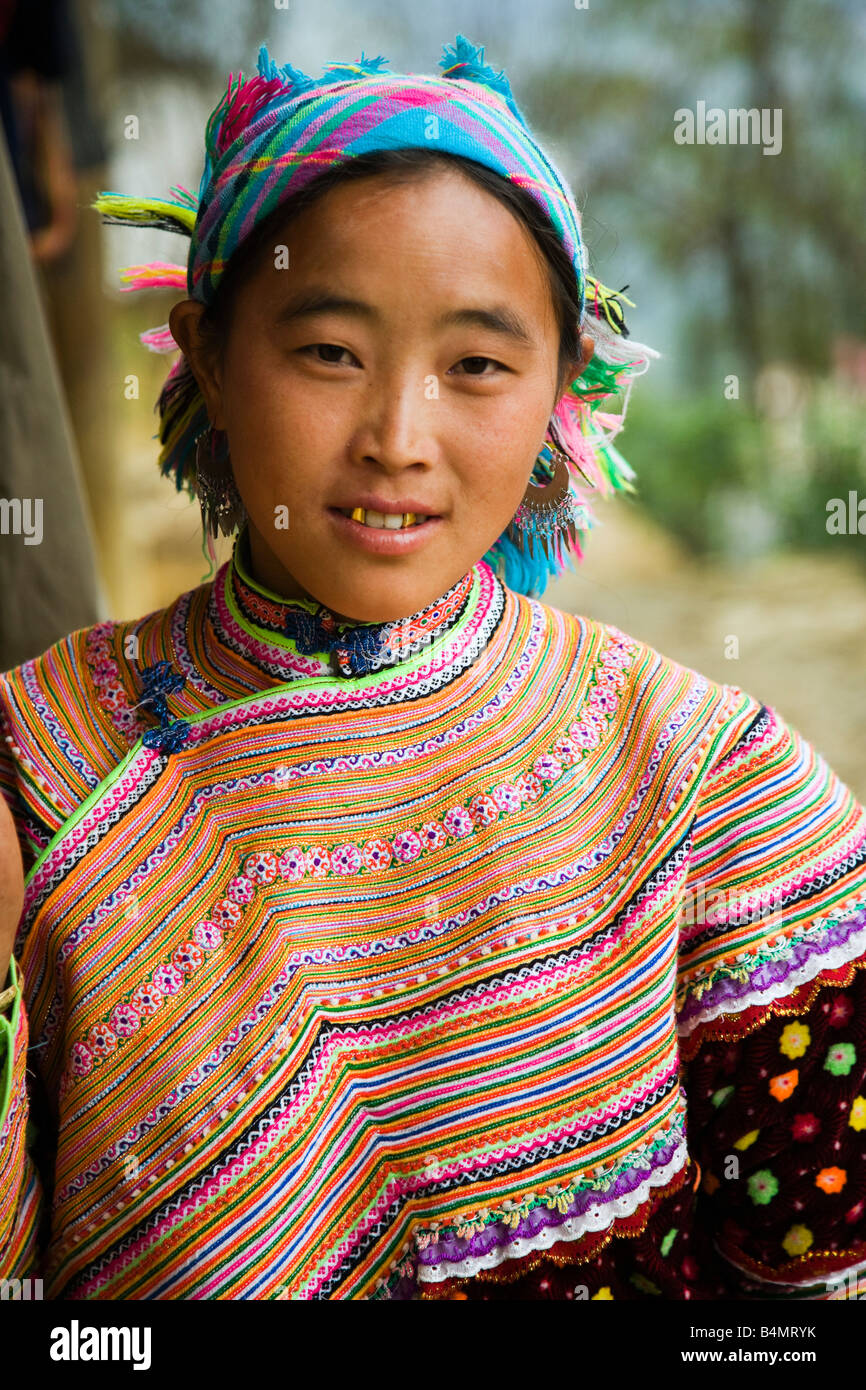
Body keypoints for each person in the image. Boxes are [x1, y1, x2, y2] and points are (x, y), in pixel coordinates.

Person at [0, 35, 865, 1303]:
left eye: (476, 366)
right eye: (329, 353)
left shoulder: (710, 785)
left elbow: (810, 1281)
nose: (398, 438)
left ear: (562, 386)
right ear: (210, 357)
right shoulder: (44, 766)